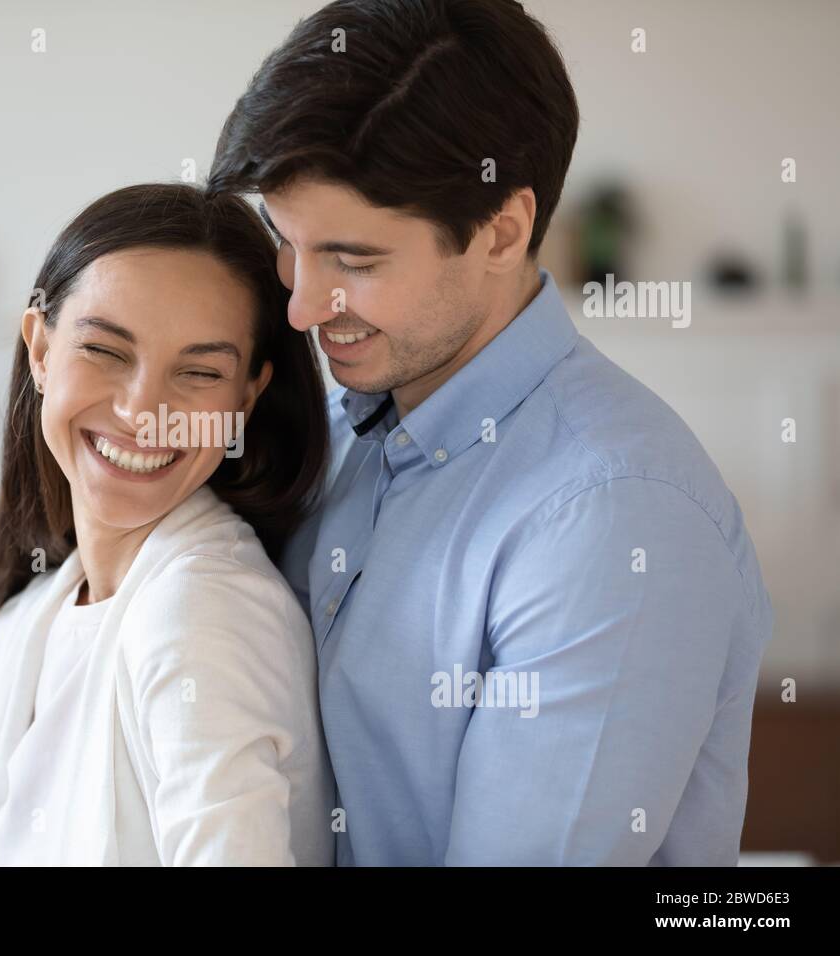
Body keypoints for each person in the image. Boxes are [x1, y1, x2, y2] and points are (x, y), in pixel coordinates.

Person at [206, 0, 773, 865]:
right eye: (289, 245)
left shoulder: (615, 519)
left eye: (354, 262)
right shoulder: (340, 430)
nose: (301, 304)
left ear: (501, 230)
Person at [0, 183, 336, 865]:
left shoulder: (200, 613)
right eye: (105, 351)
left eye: (198, 371)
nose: (143, 410)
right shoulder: (25, 626)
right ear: (41, 350)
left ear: (245, 399)